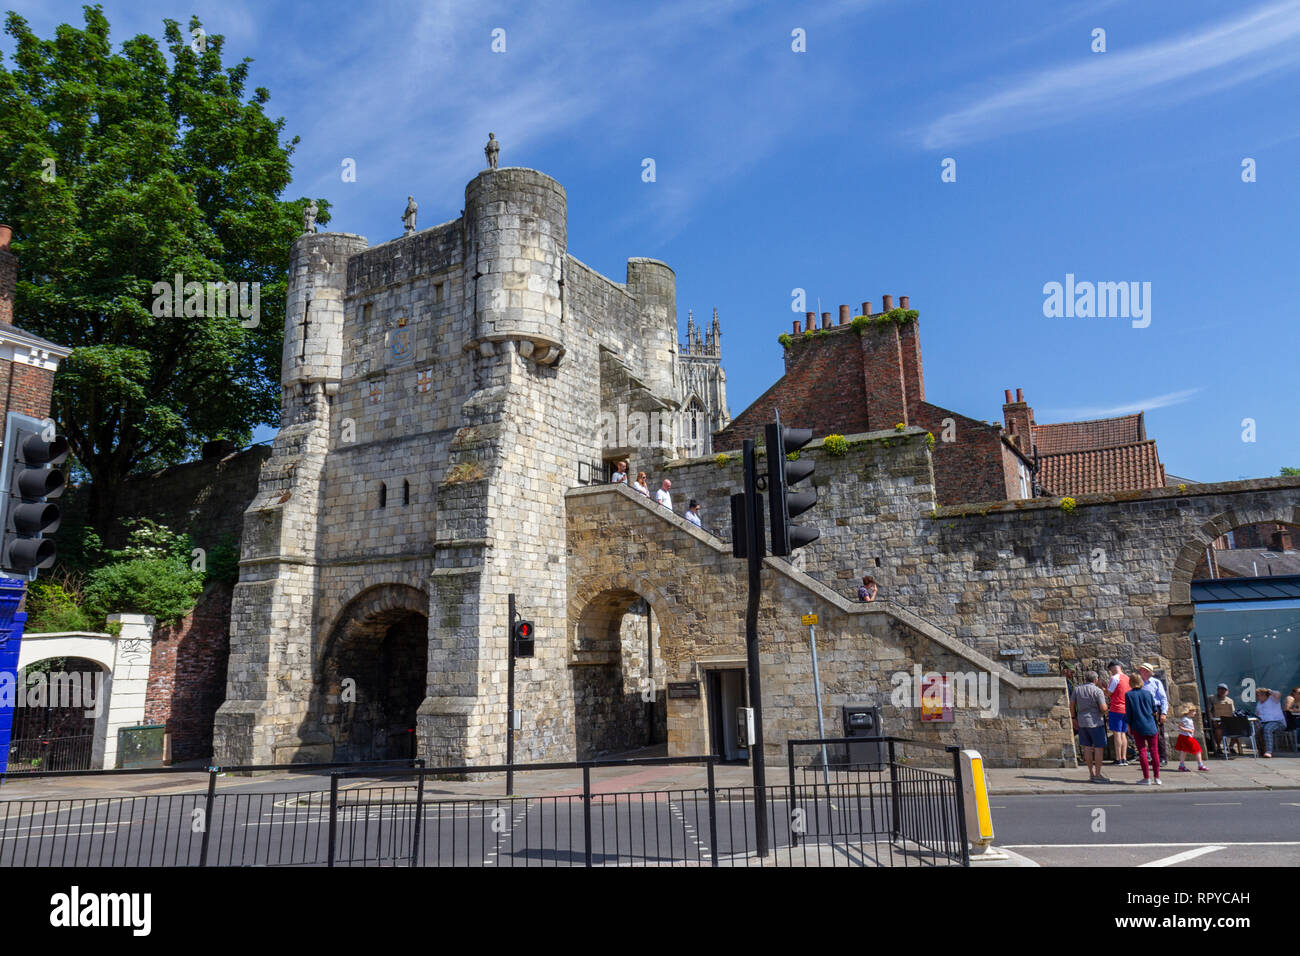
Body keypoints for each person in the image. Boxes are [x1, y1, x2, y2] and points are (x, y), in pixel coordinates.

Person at [1071, 670, 1110, 782]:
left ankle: (1091, 773)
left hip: (1082, 721)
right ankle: (1098, 774)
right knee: (1098, 748)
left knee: (1087, 748)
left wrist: (1073, 718)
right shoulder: (1097, 691)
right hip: (1095, 721)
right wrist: (1107, 709)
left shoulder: (1077, 689)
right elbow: (1103, 708)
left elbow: (1072, 704)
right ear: (1096, 680)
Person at [1125, 672, 1161, 785]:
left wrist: (1129, 726)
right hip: (1150, 725)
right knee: (1154, 751)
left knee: (1142, 751)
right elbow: (1154, 709)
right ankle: (1157, 777)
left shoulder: (1129, 695)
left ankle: (1146, 778)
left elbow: (1129, 713)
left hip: (1137, 725)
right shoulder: (1148, 693)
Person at [1138, 663, 1169, 764]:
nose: (1141, 671)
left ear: (1149, 672)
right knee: (1145, 734)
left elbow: (1163, 698)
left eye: (1144, 670)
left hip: (1155, 709)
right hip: (1143, 710)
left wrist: (1163, 713)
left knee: (1159, 734)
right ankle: (1153, 756)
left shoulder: (1156, 682)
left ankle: (1162, 757)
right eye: (1141, 670)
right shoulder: (1138, 683)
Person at [1106, 660, 1132, 766]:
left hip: (1116, 708)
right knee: (1123, 734)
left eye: (1110, 669)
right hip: (1126, 709)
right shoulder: (1127, 678)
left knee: (1117, 733)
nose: (1111, 672)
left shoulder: (1114, 678)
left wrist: (1102, 687)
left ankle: (1118, 758)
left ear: (1112, 668)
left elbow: (1109, 693)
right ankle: (1124, 758)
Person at [1173, 704, 1209, 772]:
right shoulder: (1185, 719)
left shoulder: (1188, 719)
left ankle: (1182, 765)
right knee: (1198, 749)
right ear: (1189, 711)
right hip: (1186, 737)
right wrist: (1188, 730)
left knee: (1184, 751)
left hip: (1186, 736)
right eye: (1194, 711)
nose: (1195, 713)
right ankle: (1200, 765)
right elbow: (1180, 726)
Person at [1255, 687, 1288, 758]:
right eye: (1257, 695)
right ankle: (1261, 751)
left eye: (1259, 695)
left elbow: (1279, 694)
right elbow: (1257, 714)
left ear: (1265, 695)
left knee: (1267, 729)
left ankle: (1268, 751)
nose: (1258, 697)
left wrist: (1269, 691)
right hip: (1264, 722)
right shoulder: (1259, 703)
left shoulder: (1273, 699)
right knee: (1256, 730)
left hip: (1278, 722)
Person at [1208, 683, 1237, 757]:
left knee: (1237, 729)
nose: (1222, 691)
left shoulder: (1230, 700)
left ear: (1227, 692)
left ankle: (1230, 747)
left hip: (1227, 721)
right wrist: (1213, 721)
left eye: (1224, 690)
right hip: (1216, 721)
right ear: (1217, 690)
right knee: (1219, 731)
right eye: (1220, 689)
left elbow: (1232, 712)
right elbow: (1209, 711)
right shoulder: (1212, 698)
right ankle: (1218, 747)